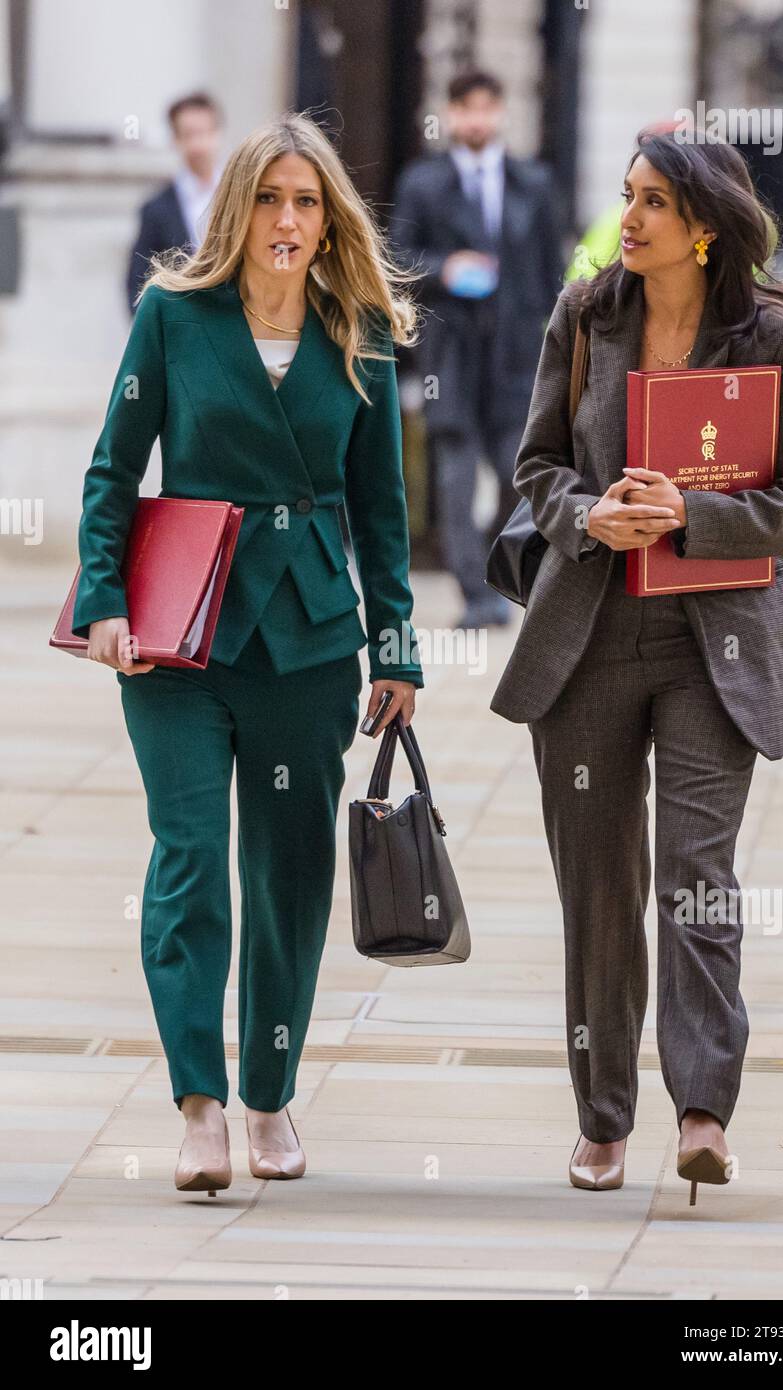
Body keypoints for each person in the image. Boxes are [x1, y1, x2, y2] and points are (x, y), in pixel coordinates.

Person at [72, 110, 424, 1195]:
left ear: (329, 221)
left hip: (309, 640)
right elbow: (110, 469)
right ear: (237, 210)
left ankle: (269, 1093)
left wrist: (396, 647)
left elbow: (381, 508)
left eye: (305, 201)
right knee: (188, 864)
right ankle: (199, 1105)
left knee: (287, 872)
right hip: (182, 635)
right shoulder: (174, 317)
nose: (286, 218)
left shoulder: (357, 327)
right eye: (268, 199)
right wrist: (101, 600)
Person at [490, 130, 783, 1205]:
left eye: (648, 203)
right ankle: (600, 1118)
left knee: (696, 876)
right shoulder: (585, 316)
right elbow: (534, 463)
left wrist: (694, 513)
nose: (626, 219)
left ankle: (700, 1109)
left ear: (703, 226)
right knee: (597, 887)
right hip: (587, 635)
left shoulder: (767, 335)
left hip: (712, 644)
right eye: (624, 197)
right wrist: (591, 513)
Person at [391, 69, 565, 629]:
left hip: (514, 359)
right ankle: (474, 594)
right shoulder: (422, 183)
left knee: (523, 475)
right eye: (466, 109)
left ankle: (499, 576)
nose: (477, 120)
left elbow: (548, 277)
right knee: (455, 480)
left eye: (486, 108)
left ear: (501, 112)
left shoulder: (533, 183)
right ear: (451, 113)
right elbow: (396, 261)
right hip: (451, 357)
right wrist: (447, 268)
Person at [125, 92, 225, 315]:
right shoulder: (156, 209)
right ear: (175, 139)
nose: (198, 144)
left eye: (204, 133)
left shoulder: (240, 195)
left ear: (218, 133)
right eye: (188, 134)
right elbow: (138, 283)